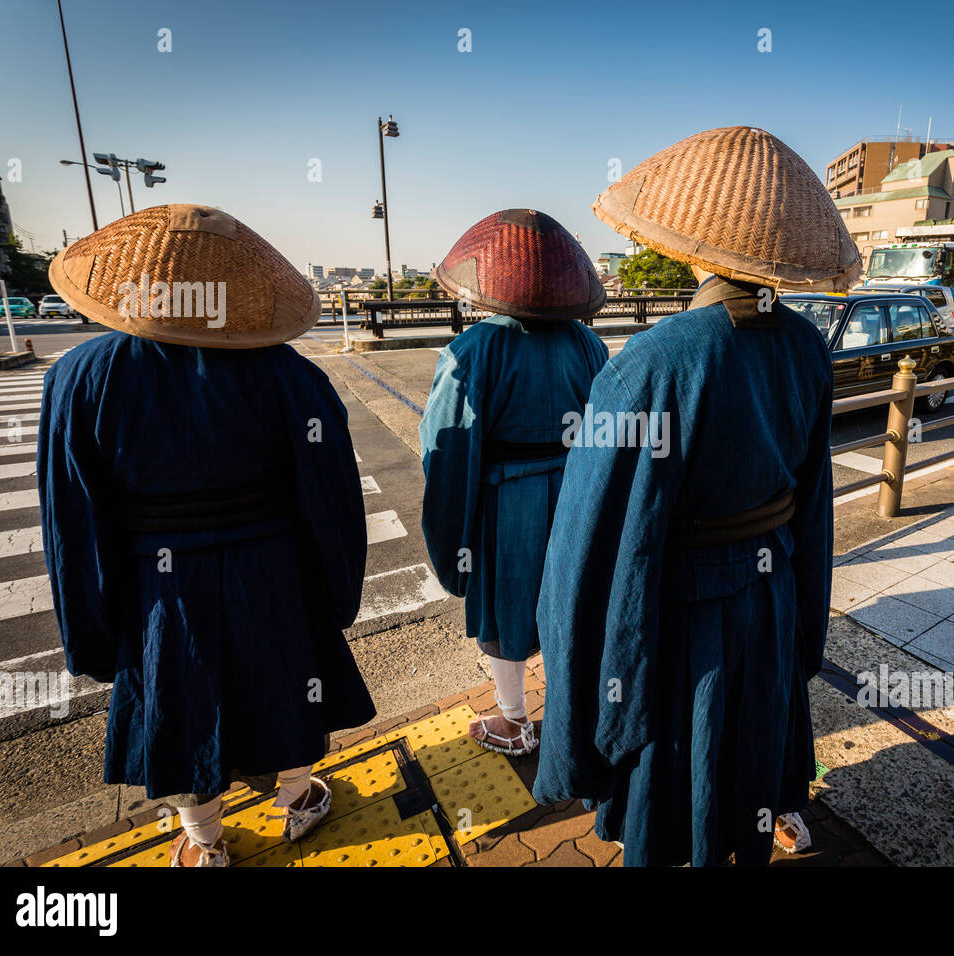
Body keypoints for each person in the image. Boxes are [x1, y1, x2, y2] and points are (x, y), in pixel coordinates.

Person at [531, 127, 862, 866]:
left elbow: (591, 545)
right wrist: (805, 624)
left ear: (695, 246)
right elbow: (815, 507)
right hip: (772, 598)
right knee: (755, 742)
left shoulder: (654, 360)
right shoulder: (807, 347)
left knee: (683, 765)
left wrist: (584, 695)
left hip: (684, 619)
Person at [39, 204, 375, 867]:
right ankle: (301, 800)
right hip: (273, 569)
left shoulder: (80, 378)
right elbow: (333, 502)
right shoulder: (293, 377)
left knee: (180, 706)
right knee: (291, 687)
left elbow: (72, 522)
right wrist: (333, 594)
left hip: (158, 586)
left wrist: (93, 632)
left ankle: (205, 844)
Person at [419, 209, 608, 755]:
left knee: (506, 606)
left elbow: (448, 448)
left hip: (508, 496)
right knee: (573, 604)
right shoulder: (588, 345)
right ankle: (580, 718)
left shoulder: (471, 349)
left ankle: (515, 721)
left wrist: (451, 527)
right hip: (576, 491)